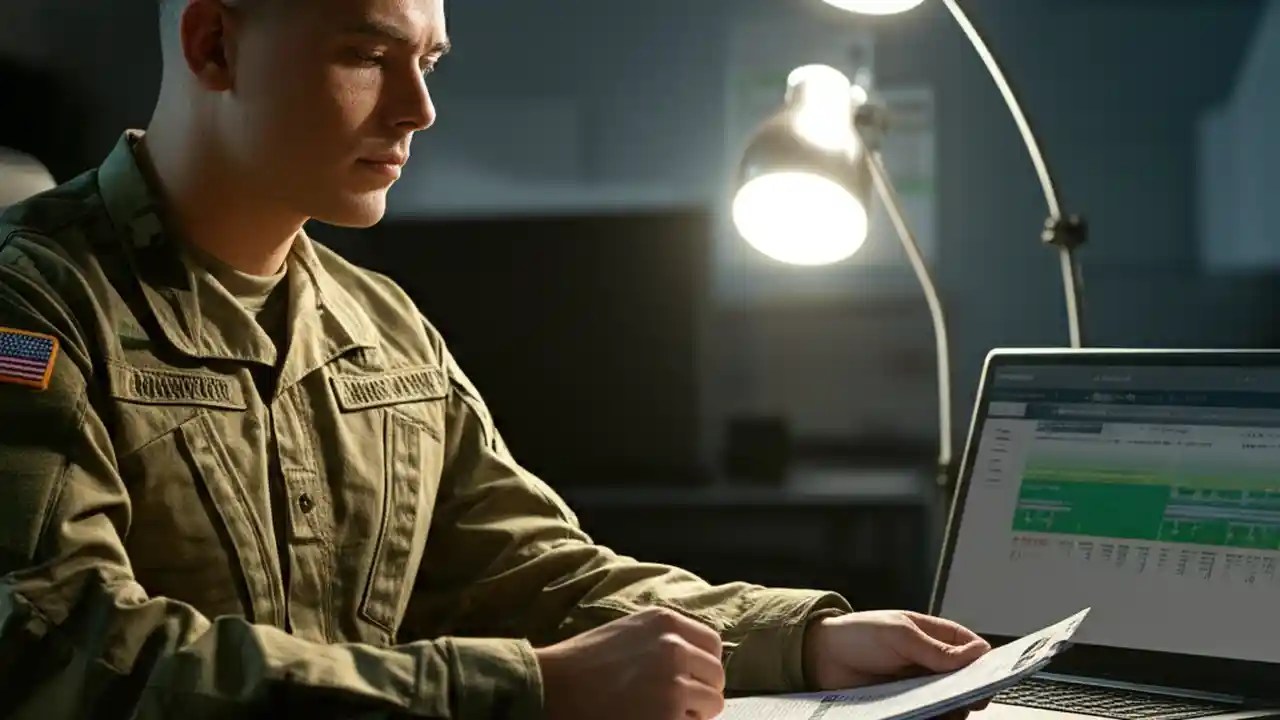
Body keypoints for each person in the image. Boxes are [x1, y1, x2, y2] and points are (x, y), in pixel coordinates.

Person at [0, 0, 992, 718]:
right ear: (215, 44)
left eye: (430, 59)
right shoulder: (34, 302)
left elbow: (535, 572)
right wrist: (532, 688)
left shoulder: (378, 325)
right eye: (368, 53)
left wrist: (798, 641)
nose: (418, 108)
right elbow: (67, 656)